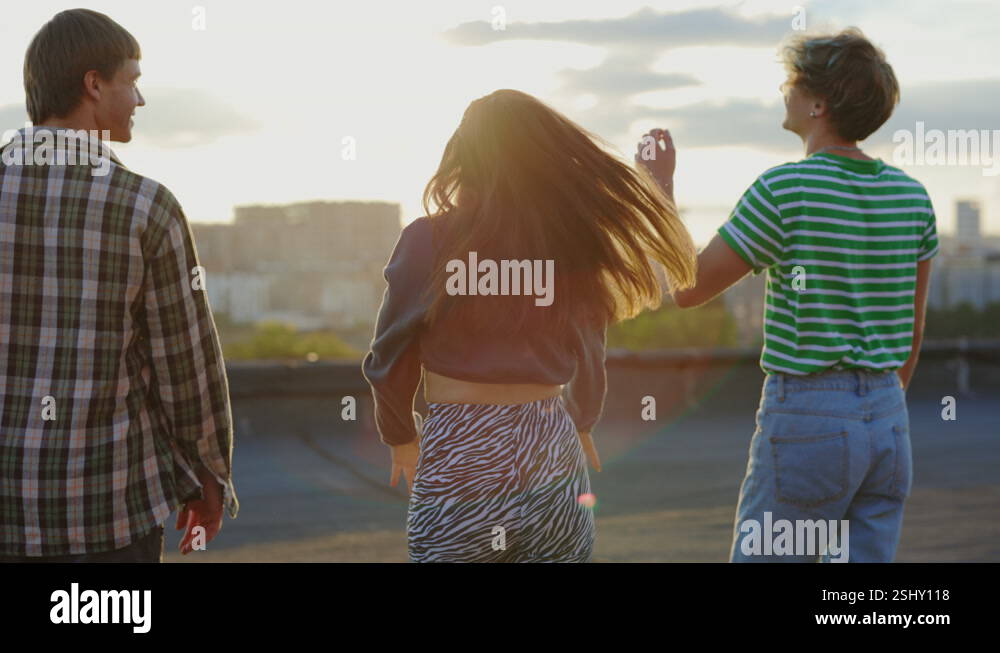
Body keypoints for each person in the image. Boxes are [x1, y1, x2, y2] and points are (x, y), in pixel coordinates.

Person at [637, 28, 937, 562]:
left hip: (810, 418)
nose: (784, 88)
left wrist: (657, 188)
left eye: (792, 79)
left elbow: (686, 289)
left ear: (818, 101)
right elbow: (912, 330)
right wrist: (874, 404)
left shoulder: (785, 190)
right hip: (890, 421)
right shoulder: (912, 199)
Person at [363, 89, 696, 562]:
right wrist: (582, 422)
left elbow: (390, 351)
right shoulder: (568, 244)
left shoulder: (428, 239)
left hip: (462, 442)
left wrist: (400, 435)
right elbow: (588, 341)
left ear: (463, 156)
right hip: (551, 440)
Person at [0, 9, 238, 562]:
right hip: (106, 512)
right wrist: (209, 473)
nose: (140, 98)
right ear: (93, 84)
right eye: (131, 80)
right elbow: (185, 365)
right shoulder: (145, 206)